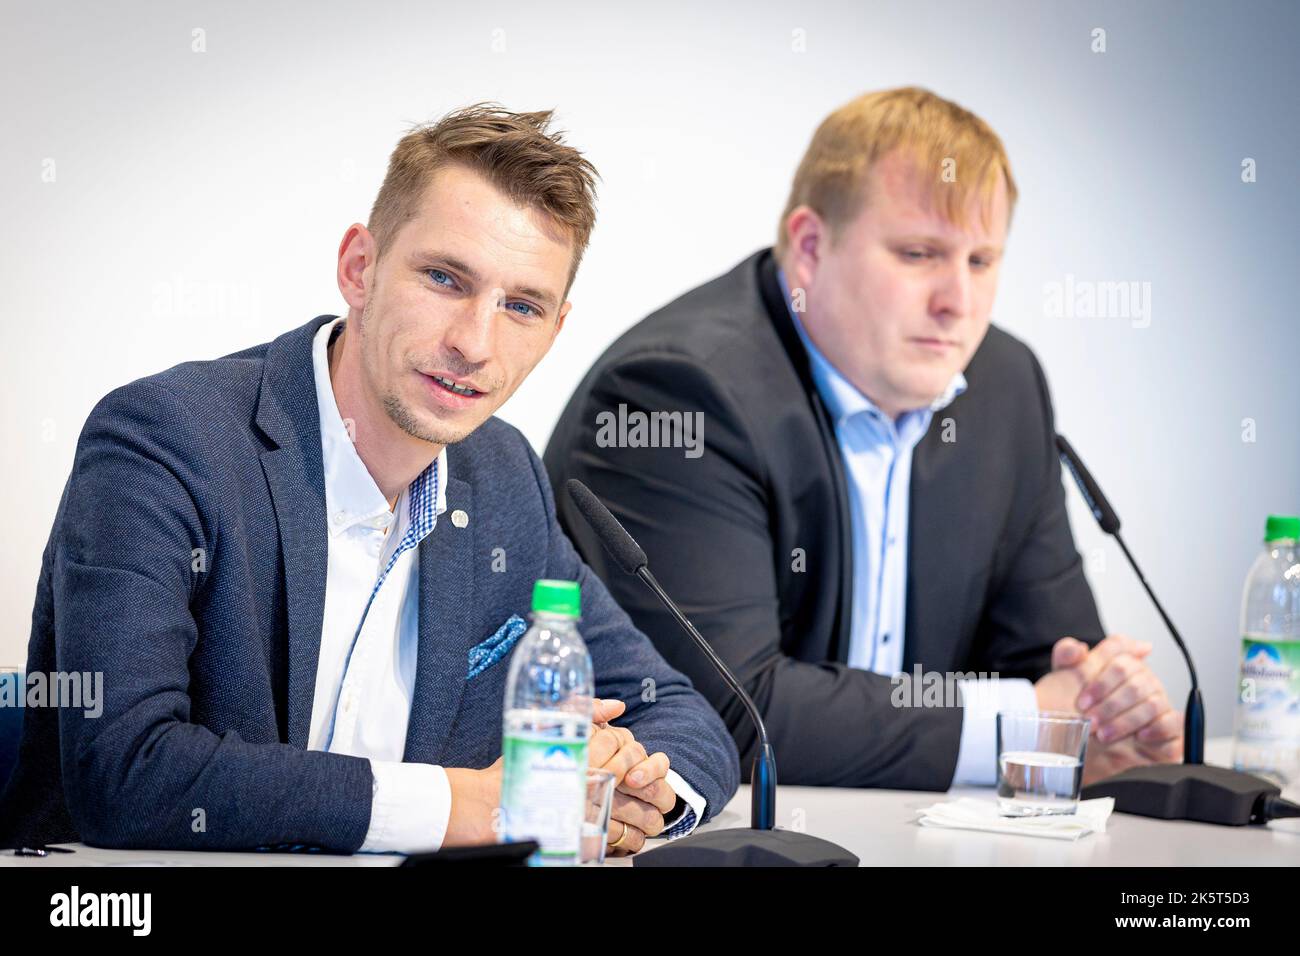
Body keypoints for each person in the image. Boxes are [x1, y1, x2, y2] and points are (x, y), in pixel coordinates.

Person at [0, 105, 739, 855]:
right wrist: (475, 804)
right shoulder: (166, 441)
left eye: (521, 306)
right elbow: (126, 775)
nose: (475, 344)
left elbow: (679, 710)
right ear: (361, 267)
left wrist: (636, 796)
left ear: (555, 330)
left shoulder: (502, 476)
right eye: (446, 278)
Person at [545, 87, 1183, 790]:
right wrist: (1027, 722)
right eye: (919, 254)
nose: (957, 303)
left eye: (981, 261)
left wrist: (1105, 703)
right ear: (813, 247)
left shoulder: (1005, 387)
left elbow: (1052, 666)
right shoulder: (678, 393)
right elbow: (731, 714)